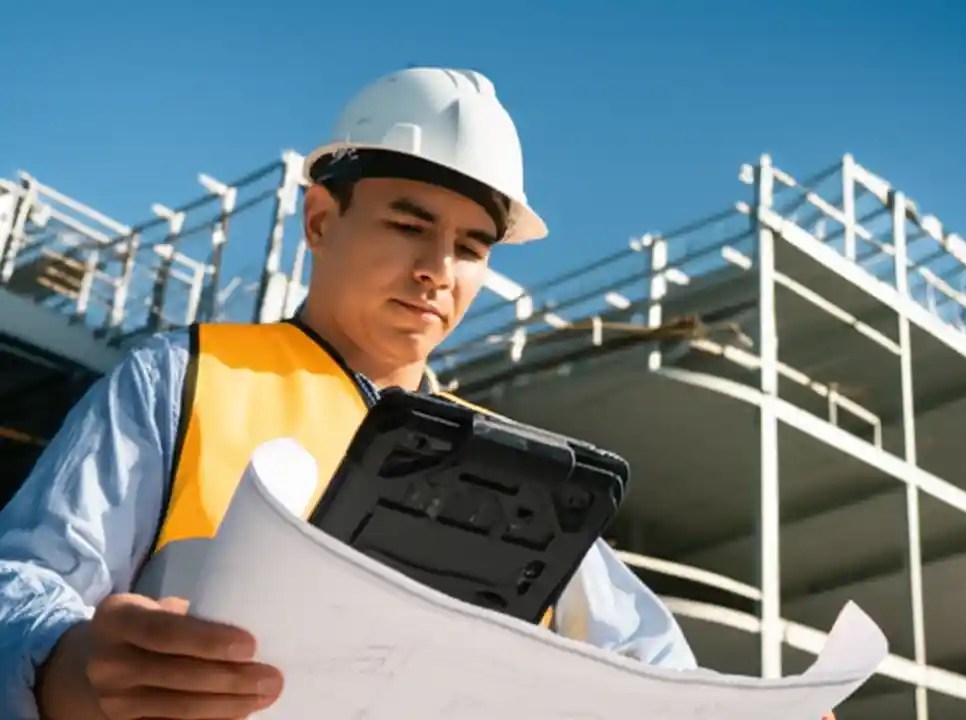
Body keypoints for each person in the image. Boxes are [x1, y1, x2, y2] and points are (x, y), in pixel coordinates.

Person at [0, 66, 698, 720]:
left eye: (473, 248)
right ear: (321, 222)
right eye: (409, 225)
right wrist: (68, 669)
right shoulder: (185, 376)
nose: (438, 270)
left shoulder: (530, 479)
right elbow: (20, 591)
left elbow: (664, 676)